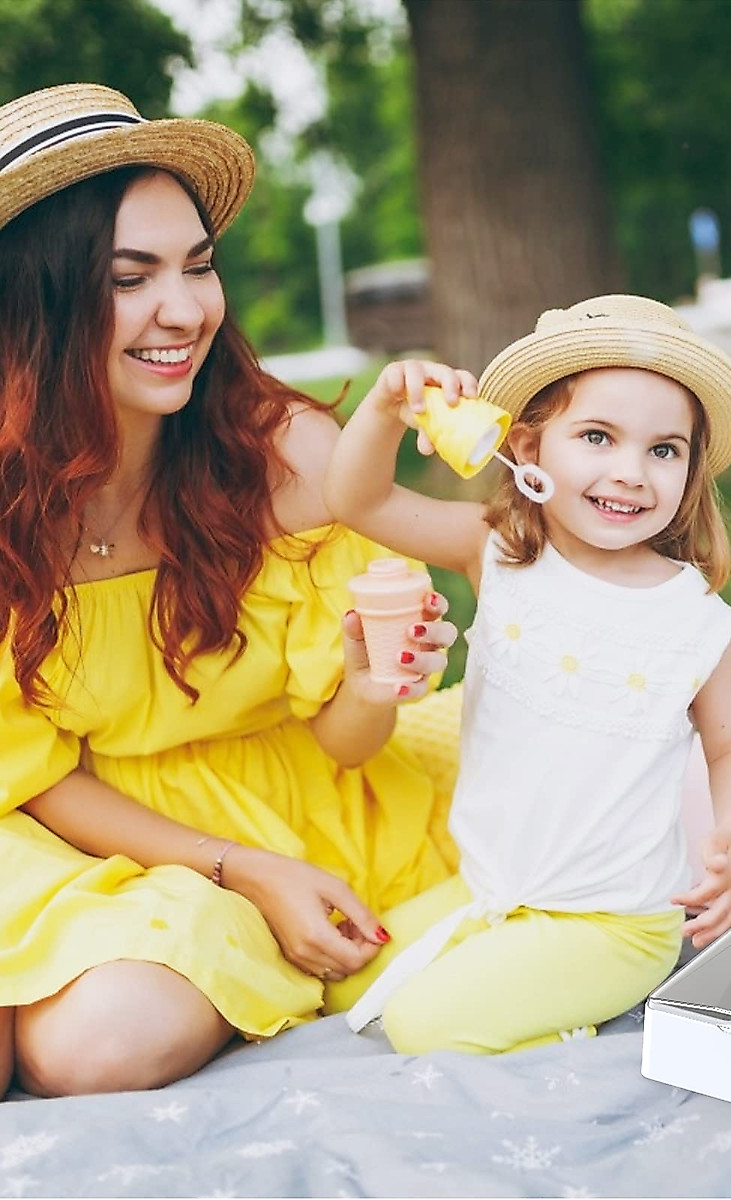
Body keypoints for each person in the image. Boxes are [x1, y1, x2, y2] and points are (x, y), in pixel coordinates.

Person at [0, 83, 470, 1098]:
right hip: (65, 819)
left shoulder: (289, 456)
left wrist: (369, 684)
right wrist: (231, 869)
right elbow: (31, 770)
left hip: (282, 808)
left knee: (96, 1049)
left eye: (198, 266)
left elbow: (348, 739)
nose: (186, 310)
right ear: (33, 301)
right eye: (132, 278)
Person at [324, 295, 731, 1055]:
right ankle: (508, 981)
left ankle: (568, 1029)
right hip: (494, 890)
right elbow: (355, 498)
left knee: (418, 1026)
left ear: (691, 471)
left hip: (612, 923)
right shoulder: (496, 551)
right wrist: (387, 409)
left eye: (664, 450)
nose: (630, 473)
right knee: (345, 985)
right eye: (597, 436)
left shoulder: (691, 616)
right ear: (527, 451)